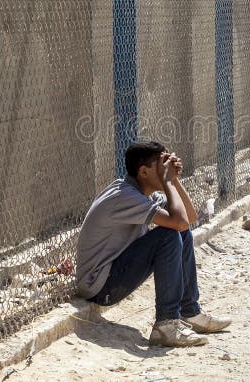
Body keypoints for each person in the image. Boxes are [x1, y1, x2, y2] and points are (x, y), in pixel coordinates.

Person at [76, 141, 230, 347]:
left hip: (113, 275)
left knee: (180, 233)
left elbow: (189, 219)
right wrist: (168, 180)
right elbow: (180, 222)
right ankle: (165, 325)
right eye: (162, 164)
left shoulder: (141, 193)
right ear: (143, 171)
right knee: (168, 236)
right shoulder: (124, 196)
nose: (167, 168)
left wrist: (173, 180)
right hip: (100, 287)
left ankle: (190, 313)